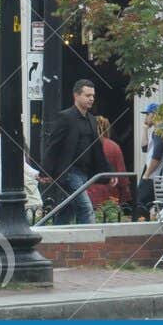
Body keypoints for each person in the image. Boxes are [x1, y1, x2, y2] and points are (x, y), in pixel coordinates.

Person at [44, 80, 110, 225]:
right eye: (87, 95)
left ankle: (55, 239)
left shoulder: (92, 120)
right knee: (85, 208)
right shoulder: (65, 117)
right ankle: (91, 244)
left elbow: (97, 148)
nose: (91, 99)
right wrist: (46, 172)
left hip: (84, 173)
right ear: (76, 96)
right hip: (69, 172)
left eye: (93, 95)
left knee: (68, 209)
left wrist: (108, 172)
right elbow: (53, 145)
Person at [86, 116, 130, 213]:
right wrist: (125, 195)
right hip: (110, 196)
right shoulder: (113, 146)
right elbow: (121, 173)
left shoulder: (86, 145)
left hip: (88, 194)